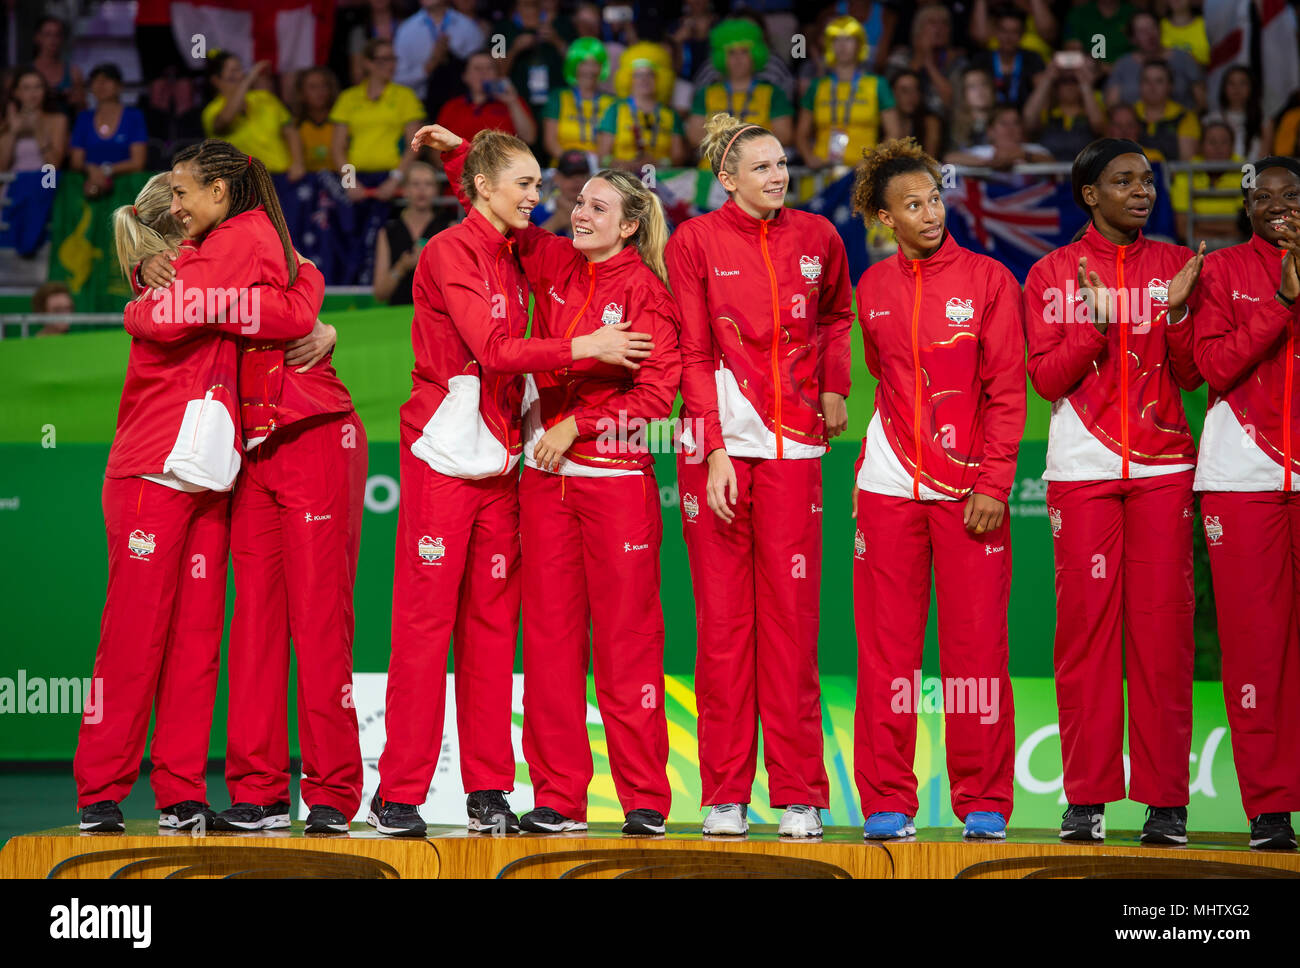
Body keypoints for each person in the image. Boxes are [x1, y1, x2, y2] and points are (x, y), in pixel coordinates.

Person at [366, 127, 656, 838]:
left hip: (500, 463)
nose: (540, 197)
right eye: (526, 186)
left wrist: (462, 151)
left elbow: (491, 181)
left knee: (493, 633)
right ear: (490, 190)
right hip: (442, 458)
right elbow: (495, 351)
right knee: (424, 629)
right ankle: (397, 793)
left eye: (539, 184)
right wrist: (585, 346)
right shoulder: (449, 251)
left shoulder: (517, 250)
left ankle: (488, 789)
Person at [74, 171, 325, 833]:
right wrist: (144, 282)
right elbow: (154, 317)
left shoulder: (219, 273)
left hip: (210, 481)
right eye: (188, 202)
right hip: (151, 477)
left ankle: (181, 791)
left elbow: (302, 273)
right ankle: (100, 789)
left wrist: (317, 323)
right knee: (133, 640)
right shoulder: (173, 288)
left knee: (195, 644)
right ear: (178, 226)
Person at [135, 140, 365, 834]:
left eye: (183, 195)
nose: (176, 210)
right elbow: (297, 290)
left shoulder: (238, 236)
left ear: (220, 193)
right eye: (168, 200)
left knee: (318, 622)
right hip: (252, 446)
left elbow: (200, 308)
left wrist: (145, 294)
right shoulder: (222, 246)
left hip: (311, 432)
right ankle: (261, 791)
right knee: (256, 628)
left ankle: (330, 793)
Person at [666, 112, 853, 839]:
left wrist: (835, 383)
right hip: (717, 452)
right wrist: (712, 447)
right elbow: (691, 350)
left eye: (783, 165)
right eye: (764, 167)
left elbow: (838, 316)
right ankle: (724, 794)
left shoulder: (819, 237)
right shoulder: (695, 243)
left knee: (791, 629)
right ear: (728, 179)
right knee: (722, 632)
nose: (779, 176)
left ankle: (801, 792)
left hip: (797, 450)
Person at [1023, 138, 1206, 845]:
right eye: (1124, 181)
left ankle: (1167, 803)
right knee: (1086, 637)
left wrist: (1182, 313)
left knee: (1162, 634)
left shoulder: (1175, 266)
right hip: (1083, 470)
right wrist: (1096, 327)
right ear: (1089, 195)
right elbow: (1044, 379)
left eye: (1150, 181)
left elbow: (1191, 376)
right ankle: (1086, 799)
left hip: (1162, 467)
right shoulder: (1049, 275)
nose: (1143, 192)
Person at [849, 137, 1025, 841]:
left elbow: (1008, 390)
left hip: (968, 495)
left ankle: (983, 801)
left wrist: (994, 479)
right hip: (887, 488)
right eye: (912, 205)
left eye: (935, 198)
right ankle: (888, 800)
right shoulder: (872, 288)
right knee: (887, 654)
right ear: (886, 219)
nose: (930, 213)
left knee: (975, 654)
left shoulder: (988, 281)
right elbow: (881, 379)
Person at [1191, 156, 1300, 852]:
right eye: (1266, 198)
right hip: (1243, 474)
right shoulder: (1225, 271)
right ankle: (1269, 808)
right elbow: (1212, 366)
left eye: (1293, 196)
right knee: (1258, 650)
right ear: (1247, 205)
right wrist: (1284, 306)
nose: (1280, 207)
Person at [796, 16, 899, 171]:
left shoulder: (878, 84)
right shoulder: (817, 86)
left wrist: (873, 160)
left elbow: (894, 132)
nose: (842, 46)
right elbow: (800, 134)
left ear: (860, 44)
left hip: (863, 173)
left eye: (849, 39)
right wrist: (809, 158)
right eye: (836, 40)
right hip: (822, 173)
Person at [330, 39, 424, 203]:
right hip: (356, 176)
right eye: (383, 60)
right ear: (368, 63)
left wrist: (395, 180)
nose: (391, 65)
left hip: (391, 175)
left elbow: (414, 145)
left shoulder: (405, 97)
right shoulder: (348, 98)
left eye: (393, 59)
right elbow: (338, 147)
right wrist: (349, 182)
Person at [686, 19, 794, 155]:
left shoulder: (773, 93)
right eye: (731, 52)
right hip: (713, 168)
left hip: (758, 166)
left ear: (755, 54)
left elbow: (785, 135)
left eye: (744, 51)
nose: (738, 58)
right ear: (721, 56)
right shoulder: (706, 93)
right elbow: (694, 136)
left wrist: (743, 146)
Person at [202, 52, 303, 182]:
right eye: (233, 71)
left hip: (283, 177)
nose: (240, 75)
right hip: (243, 183)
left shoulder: (265, 98)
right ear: (216, 81)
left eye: (240, 70)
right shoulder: (212, 111)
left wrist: (298, 163)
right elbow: (226, 120)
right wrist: (249, 80)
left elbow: (290, 131)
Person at [597, 42, 686, 169]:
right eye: (638, 75)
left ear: (660, 79)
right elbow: (603, 158)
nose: (644, 80)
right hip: (622, 179)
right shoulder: (615, 110)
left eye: (650, 74)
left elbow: (679, 158)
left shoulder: (671, 115)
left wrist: (658, 163)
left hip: (661, 180)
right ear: (628, 79)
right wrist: (626, 165)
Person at [373, 160, 451, 304]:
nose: (422, 190)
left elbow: (454, 287)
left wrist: (429, 263)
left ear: (436, 190)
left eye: (428, 184)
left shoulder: (449, 229)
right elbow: (380, 293)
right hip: (397, 317)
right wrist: (401, 267)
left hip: (436, 318)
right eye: (415, 184)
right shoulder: (388, 232)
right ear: (404, 190)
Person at [69, 64, 147, 201]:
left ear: (119, 86)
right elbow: (76, 161)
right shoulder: (84, 118)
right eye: (96, 81)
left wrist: (106, 171)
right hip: (90, 183)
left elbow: (138, 162)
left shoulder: (134, 116)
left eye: (106, 80)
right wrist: (92, 170)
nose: (101, 85)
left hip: (127, 187)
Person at [1105, 12, 1204, 113]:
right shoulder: (1123, 64)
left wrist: (1186, 121)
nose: (1150, 34)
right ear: (1133, 39)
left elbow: (1202, 101)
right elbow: (1112, 106)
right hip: (1134, 126)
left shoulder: (1184, 58)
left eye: (1152, 27)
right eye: (1142, 31)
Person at [434, 51, 537, 146]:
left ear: (497, 75)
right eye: (477, 68)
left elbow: (529, 138)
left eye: (489, 68)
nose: (484, 73)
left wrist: (513, 102)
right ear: (465, 76)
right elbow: (437, 148)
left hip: (501, 164)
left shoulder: (512, 101)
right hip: (460, 165)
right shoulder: (452, 106)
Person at [1169, 120, 1244, 243]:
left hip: (1237, 247)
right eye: (1212, 142)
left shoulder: (1245, 172)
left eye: (1224, 142)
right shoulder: (1185, 173)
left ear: (1232, 147)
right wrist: (1228, 227)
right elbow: (1182, 229)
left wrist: (1199, 223)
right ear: (1201, 146)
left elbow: (1246, 227)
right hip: (1197, 249)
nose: (1218, 148)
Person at [542, 37, 614, 164]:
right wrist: (574, 163)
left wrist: (592, 165)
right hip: (563, 168)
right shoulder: (558, 97)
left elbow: (610, 146)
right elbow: (550, 142)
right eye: (584, 63)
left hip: (598, 169)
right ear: (574, 65)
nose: (590, 70)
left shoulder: (611, 102)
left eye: (595, 64)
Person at [1022, 55, 1106, 162]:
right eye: (1063, 81)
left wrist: (1084, 82)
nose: (1069, 85)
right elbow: (1029, 118)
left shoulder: (1091, 112)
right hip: (1050, 177)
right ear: (1055, 86)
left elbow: (1098, 125)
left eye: (1074, 80)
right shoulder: (1046, 114)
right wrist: (1048, 78)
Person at [971, 5, 1046, 109]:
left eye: (1014, 32)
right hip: (989, 117)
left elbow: (1044, 102)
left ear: (1022, 35)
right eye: (1004, 31)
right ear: (996, 32)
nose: (1008, 37)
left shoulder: (1033, 59)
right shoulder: (981, 60)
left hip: (1023, 119)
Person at [945, 104, 1053, 169]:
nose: (1011, 128)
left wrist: (1022, 155)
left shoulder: (1034, 149)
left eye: (1016, 123)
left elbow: (1052, 163)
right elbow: (949, 158)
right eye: (1004, 123)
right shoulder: (984, 152)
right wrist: (987, 163)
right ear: (990, 131)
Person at [1132, 60, 1200, 162]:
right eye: (1146, 81)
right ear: (1140, 84)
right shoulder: (1128, 113)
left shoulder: (1185, 117)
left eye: (1159, 81)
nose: (1152, 87)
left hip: (1171, 177)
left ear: (1170, 86)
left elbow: (1186, 162)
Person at [532, 149, 591, 236]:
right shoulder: (537, 212)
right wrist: (557, 221)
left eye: (582, 175)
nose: (577, 180)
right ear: (557, 178)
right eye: (569, 174)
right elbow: (528, 247)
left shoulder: (599, 213)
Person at [890, 69, 943, 159]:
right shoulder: (883, 123)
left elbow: (930, 161)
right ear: (891, 93)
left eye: (915, 90)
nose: (911, 96)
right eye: (904, 90)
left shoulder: (930, 122)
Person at [295, 67, 340, 173]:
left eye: (324, 85)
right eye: (313, 87)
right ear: (301, 93)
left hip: (341, 181)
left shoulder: (341, 123)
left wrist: (351, 185)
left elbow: (349, 164)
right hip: (307, 182)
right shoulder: (295, 126)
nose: (320, 91)